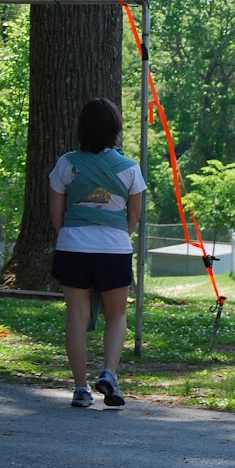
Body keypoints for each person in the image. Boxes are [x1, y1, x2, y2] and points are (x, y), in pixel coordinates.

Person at [49, 97, 145, 409]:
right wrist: (114, 234)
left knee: (77, 315)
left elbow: (56, 217)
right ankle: (109, 373)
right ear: (116, 130)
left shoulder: (66, 164)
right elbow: (133, 218)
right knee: (116, 314)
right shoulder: (130, 169)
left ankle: (80, 388)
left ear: (82, 129)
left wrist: (75, 233)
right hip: (114, 248)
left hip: (73, 245)